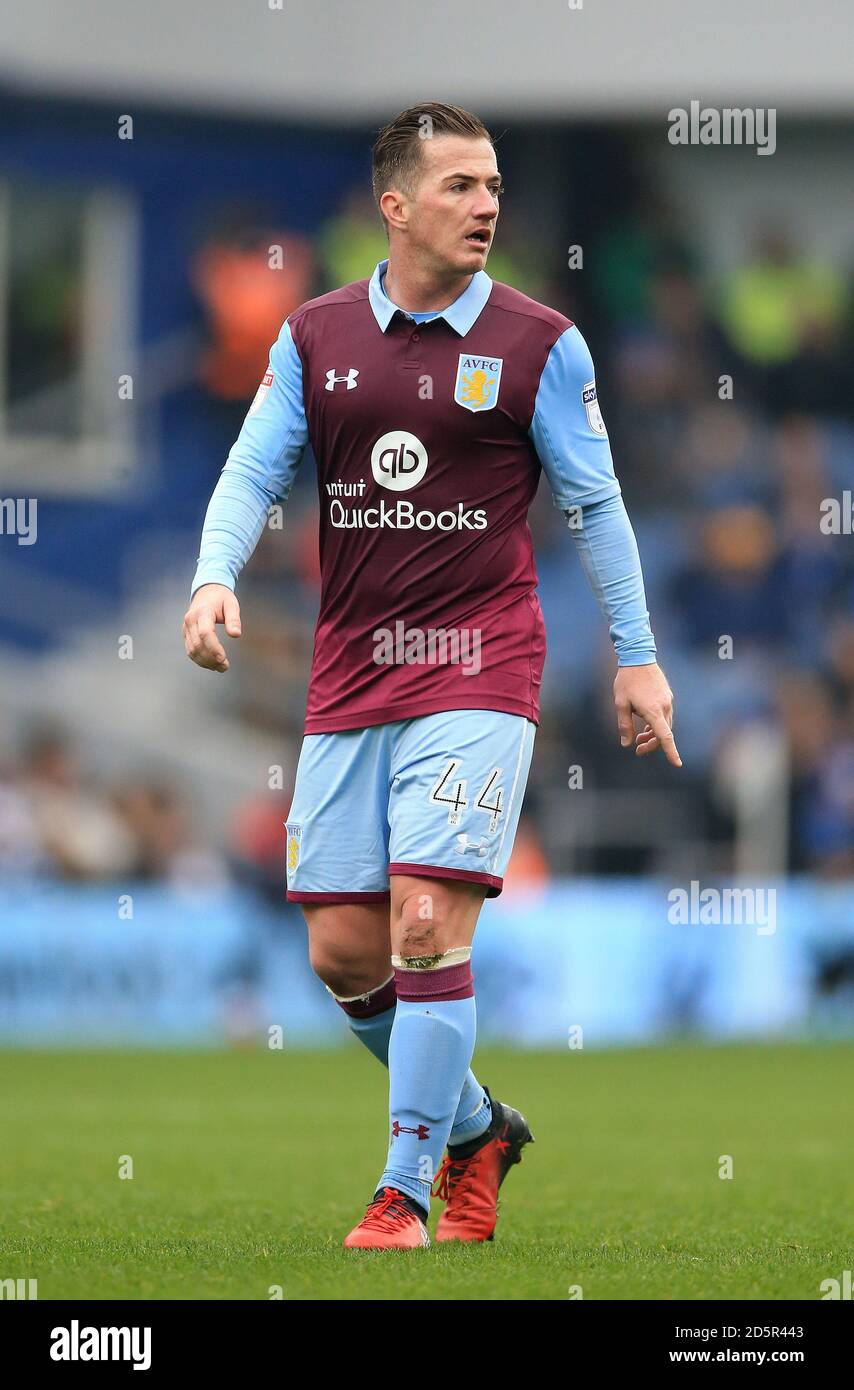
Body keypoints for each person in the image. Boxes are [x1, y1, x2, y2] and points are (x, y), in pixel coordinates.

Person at [184, 102, 679, 1250]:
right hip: (350, 676)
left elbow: (595, 504)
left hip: (479, 664)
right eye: (459, 185)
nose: (487, 203)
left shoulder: (539, 342)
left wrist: (638, 654)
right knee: (343, 955)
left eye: (494, 183)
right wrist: (215, 577)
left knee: (421, 928)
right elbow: (255, 467)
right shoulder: (312, 334)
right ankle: (476, 1129)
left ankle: (402, 1192)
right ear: (393, 206)